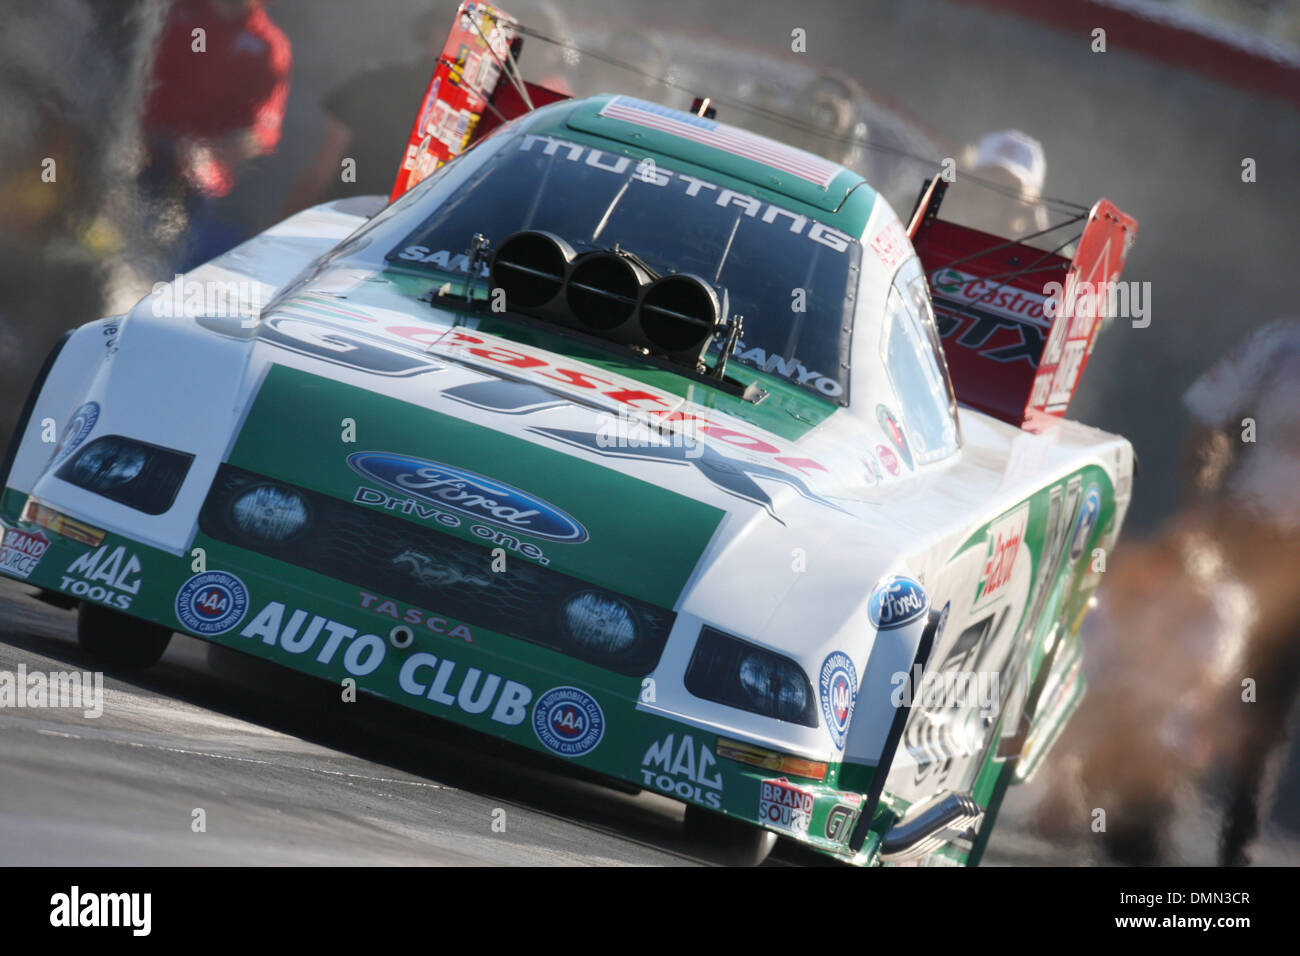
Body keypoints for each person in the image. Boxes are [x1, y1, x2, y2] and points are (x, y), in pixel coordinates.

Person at [139, 0, 291, 269]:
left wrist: (205, 154)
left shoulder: (268, 46)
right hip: (133, 153)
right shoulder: (174, 13)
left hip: (192, 185)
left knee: (160, 262)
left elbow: (261, 132)